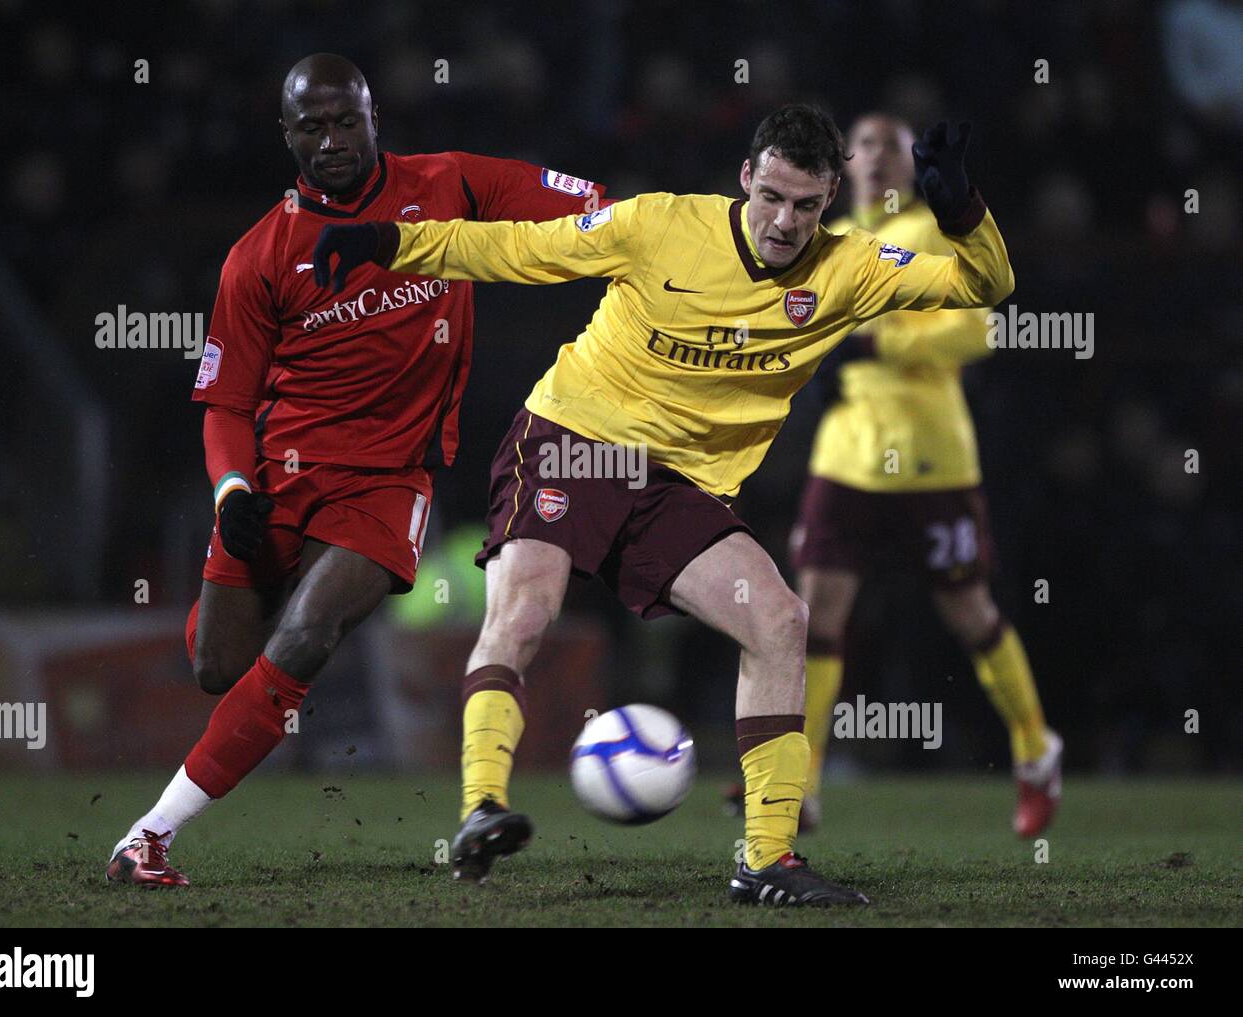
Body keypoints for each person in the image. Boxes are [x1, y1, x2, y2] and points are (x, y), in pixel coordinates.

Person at [313, 104, 1014, 907]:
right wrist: (388, 242)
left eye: (806, 205)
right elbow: (515, 247)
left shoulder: (850, 268)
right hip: (575, 439)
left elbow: (986, 284)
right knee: (527, 611)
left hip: (679, 485)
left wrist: (961, 209)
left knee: (780, 619)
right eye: (772, 197)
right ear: (746, 179)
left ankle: (767, 860)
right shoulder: (659, 225)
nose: (785, 222)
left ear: (830, 202)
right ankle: (481, 807)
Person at [106, 53, 605, 887]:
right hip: (281, 475)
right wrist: (232, 490)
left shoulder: (448, 184)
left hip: (388, 478)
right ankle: (250, 611)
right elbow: (225, 405)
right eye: (313, 127)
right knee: (217, 666)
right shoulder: (258, 256)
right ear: (286, 135)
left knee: (307, 635)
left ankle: (148, 834)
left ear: (375, 119)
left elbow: (591, 207)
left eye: (347, 122)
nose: (333, 141)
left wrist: (669, 231)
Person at [785, 114, 1060, 838]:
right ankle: (799, 785)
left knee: (969, 611)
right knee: (813, 617)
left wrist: (878, 342)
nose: (878, 155)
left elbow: (980, 327)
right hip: (846, 456)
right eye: (865, 144)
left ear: (910, 166)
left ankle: (1036, 751)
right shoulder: (825, 241)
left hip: (931, 454)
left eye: (891, 144)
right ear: (845, 163)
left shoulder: (936, 230)